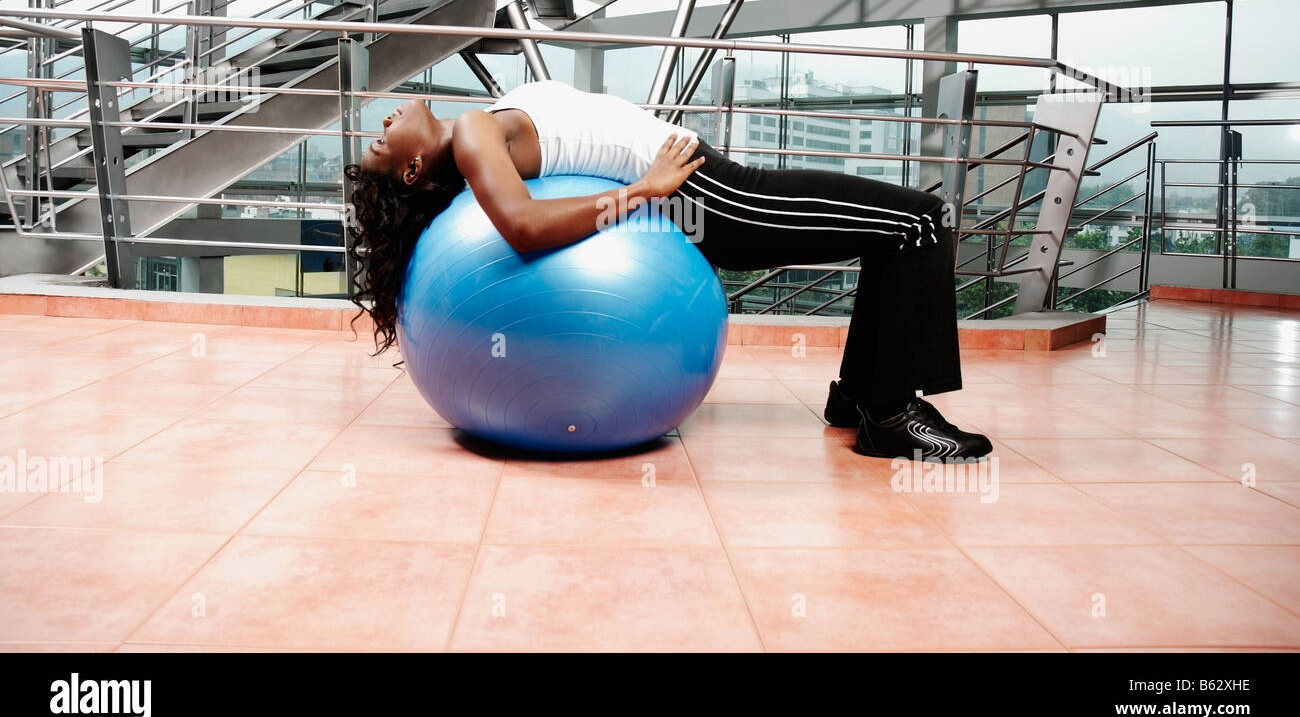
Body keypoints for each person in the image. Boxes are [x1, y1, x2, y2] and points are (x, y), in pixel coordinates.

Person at [346, 79, 991, 463]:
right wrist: (647, 189)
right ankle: (894, 418)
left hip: (695, 187)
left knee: (890, 232)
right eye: (380, 141)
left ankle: (862, 400)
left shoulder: (477, 129)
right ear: (411, 171)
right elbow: (522, 225)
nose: (382, 121)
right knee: (920, 221)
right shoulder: (468, 136)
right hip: (704, 191)